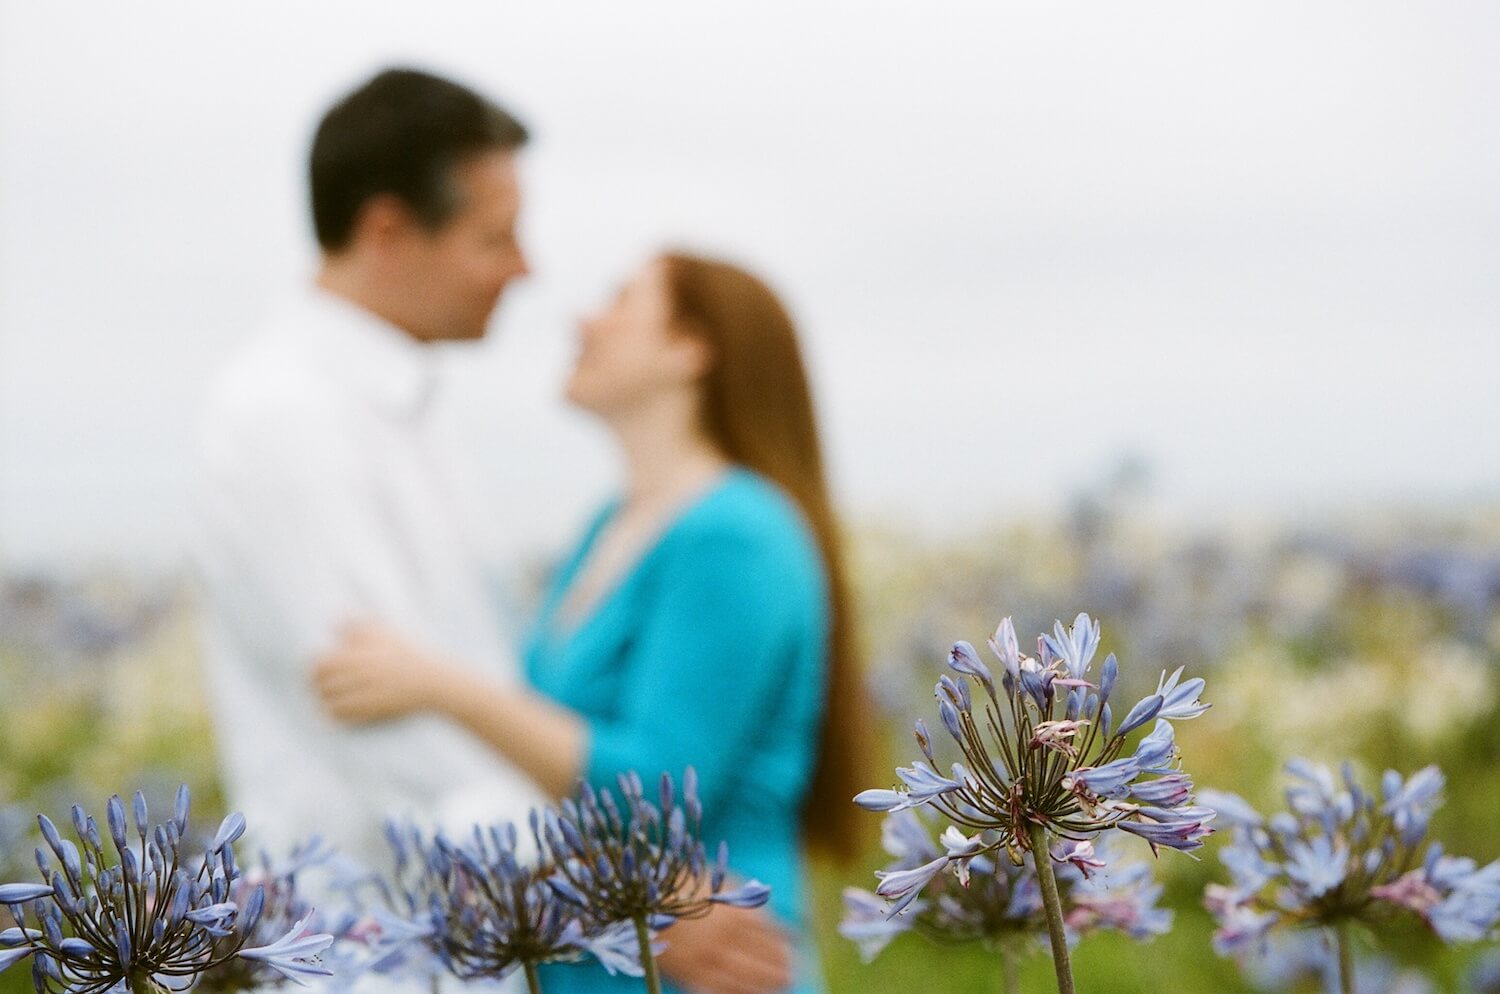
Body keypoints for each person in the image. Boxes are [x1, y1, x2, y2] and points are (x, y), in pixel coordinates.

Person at [313, 252, 869, 994]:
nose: (582, 320)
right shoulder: (610, 524)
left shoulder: (736, 535)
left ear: (689, 347)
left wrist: (438, 686)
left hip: (717, 964)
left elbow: (654, 788)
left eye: (621, 300)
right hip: (609, 955)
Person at [193, 66, 547, 870]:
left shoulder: (402, 399)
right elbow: (382, 728)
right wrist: (598, 869)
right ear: (386, 233)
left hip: (479, 921)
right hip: (375, 940)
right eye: (496, 238)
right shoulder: (280, 412)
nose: (524, 270)